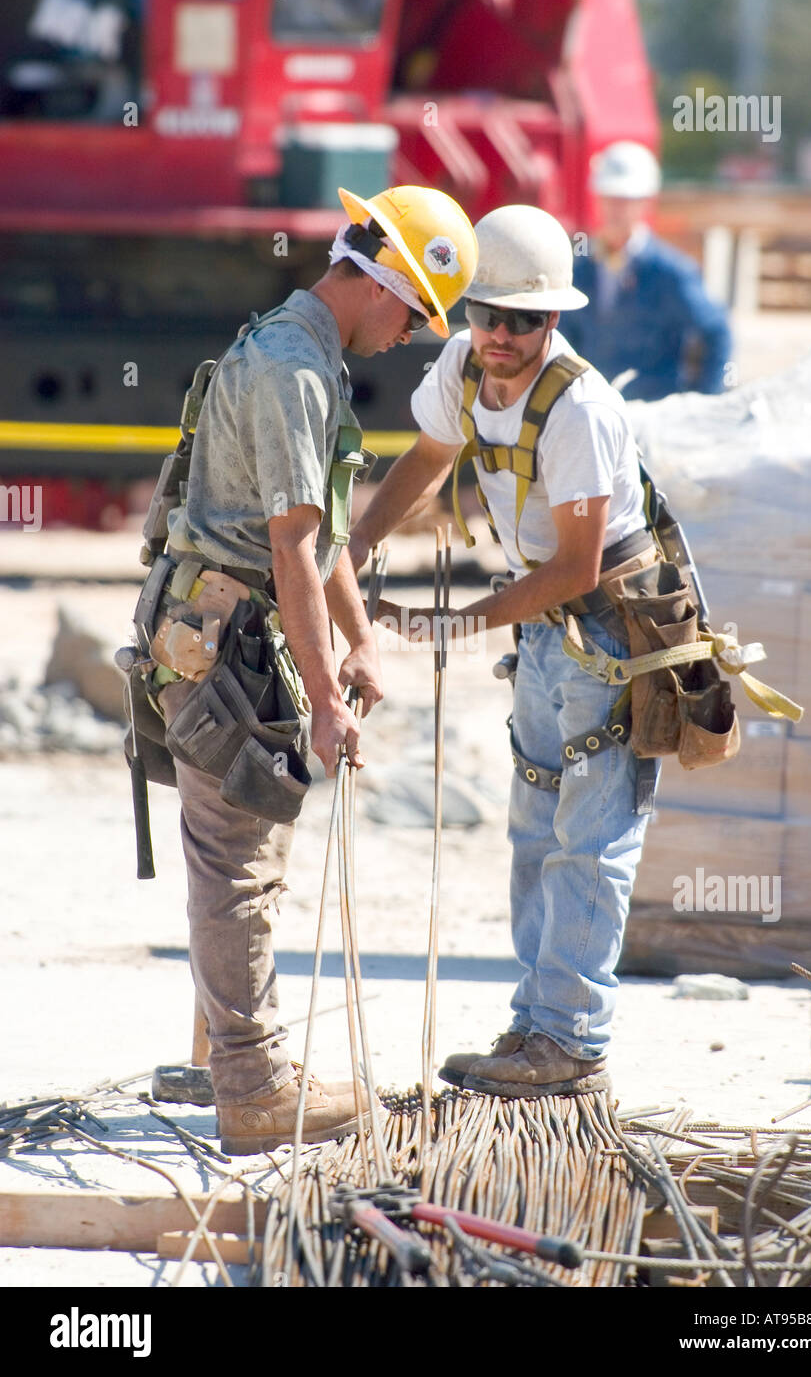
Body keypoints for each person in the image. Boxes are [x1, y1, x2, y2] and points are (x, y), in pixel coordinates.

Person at [137, 185, 478, 1152]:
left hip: (223, 629)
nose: (410, 336)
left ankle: (220, 1054)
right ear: (379, 285)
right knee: (236, 865)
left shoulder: (299, 347)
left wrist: (358, 638)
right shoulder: (295, 371)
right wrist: (327, 700)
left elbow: (319, 532)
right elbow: (291, 544)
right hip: (224, 638)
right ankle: (250, 1088)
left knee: (232, 851)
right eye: (414, 315)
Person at [349, 204, 658, 1098]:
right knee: (534, 828)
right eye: (488, 314)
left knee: (591, 839)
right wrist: (357, 547)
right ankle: (536, 1026)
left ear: (553, 320)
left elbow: (577, 566)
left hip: (607, 628)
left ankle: (572, 1042)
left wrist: (454, 624)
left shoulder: (581, 411)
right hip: (543, 623)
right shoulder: (461, 362)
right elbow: (430, 458)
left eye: (523, 321)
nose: (502, 336)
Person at [558, 141, 732, 401]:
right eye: (610, 198)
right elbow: (564, 341)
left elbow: (716, 331)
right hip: (593, 411)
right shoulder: (581, 269)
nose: (616, 209)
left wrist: (703, 403)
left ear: (644, 203)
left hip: (654, 417)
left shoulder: (670, 273)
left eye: (625, 200)